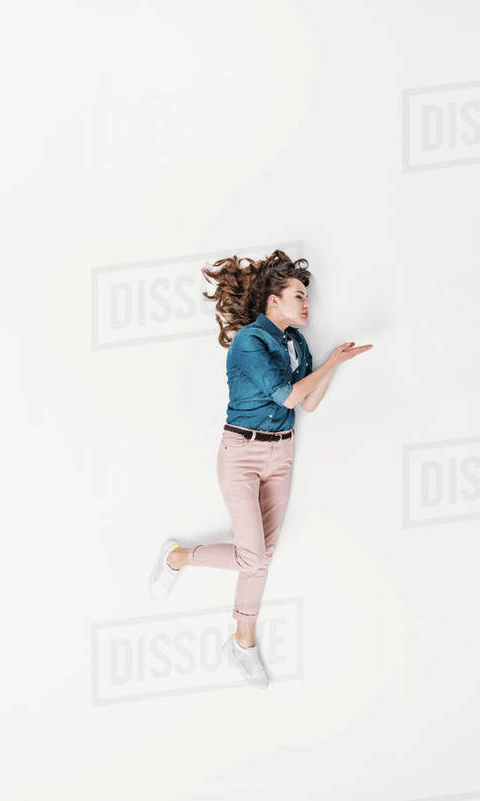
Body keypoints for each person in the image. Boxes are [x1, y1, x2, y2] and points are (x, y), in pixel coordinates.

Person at [147, 249, 372, 688]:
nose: (307, 305)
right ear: (274, 300)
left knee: (260, 560)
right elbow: (286, 396)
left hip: (282, 454)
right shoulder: (250, 340)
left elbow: (309, 402)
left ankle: (238, 635)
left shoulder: (298, 344)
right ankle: (183, 564)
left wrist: (329, 366)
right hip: (242, 453)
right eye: (299, 296)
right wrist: (331, 363)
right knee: (254, 558)